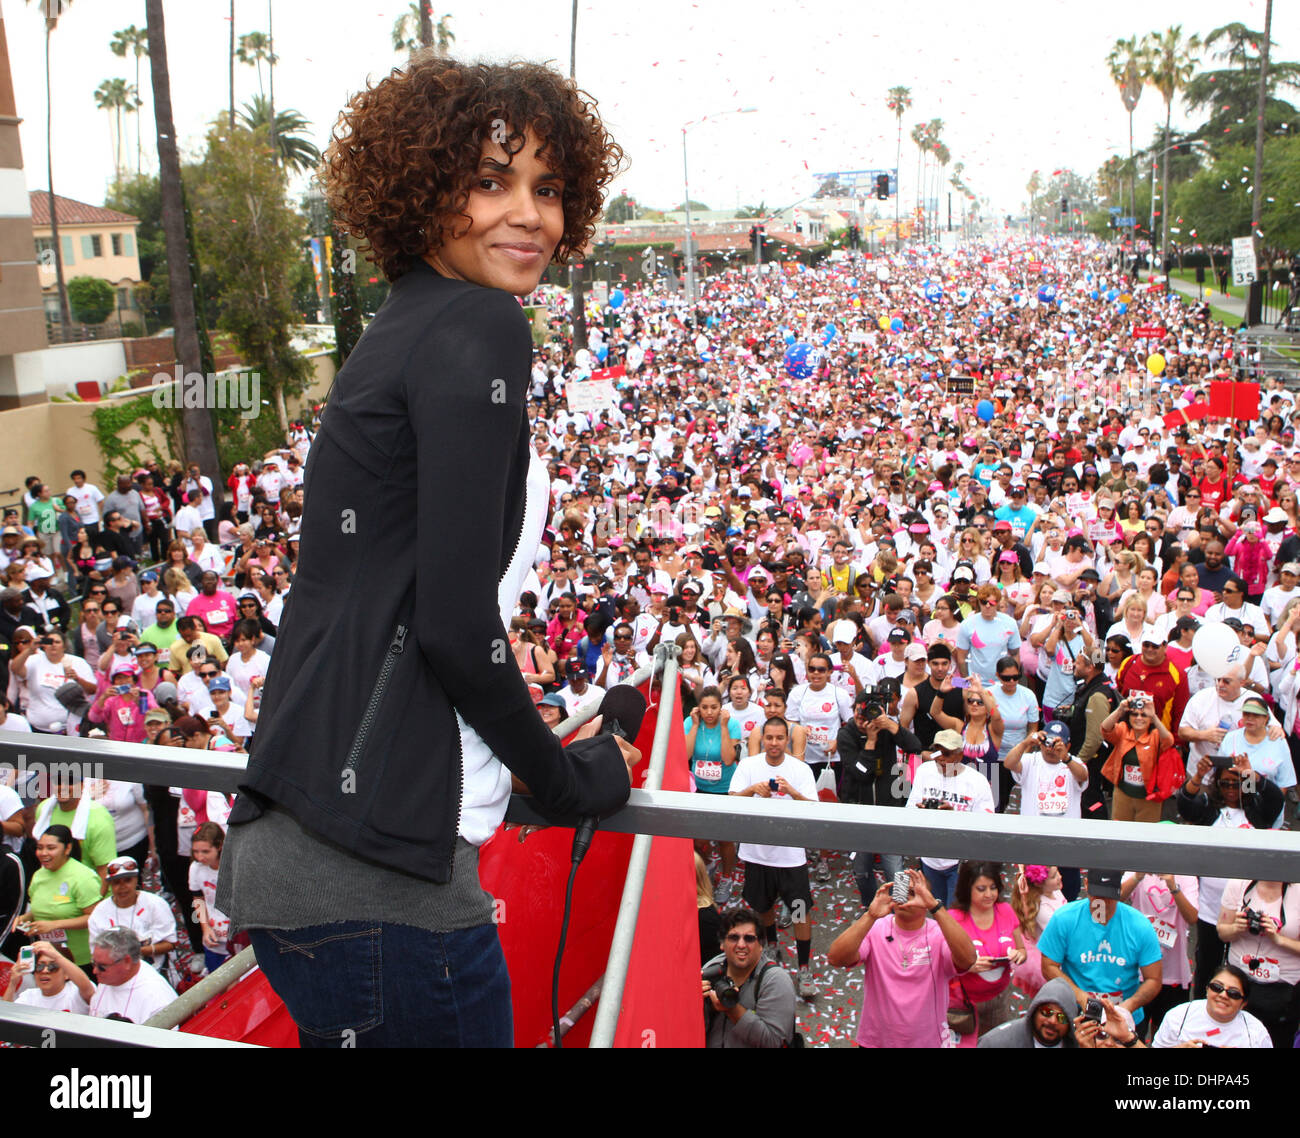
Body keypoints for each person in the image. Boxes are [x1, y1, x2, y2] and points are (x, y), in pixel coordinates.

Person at [218, 58, 637, 1048]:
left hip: (306, 853)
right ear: (423, 189)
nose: (528, 213)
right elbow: (453, 623)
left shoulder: (403, 322)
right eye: (492, 181)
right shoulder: (478, 323)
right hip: (379, 881)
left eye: (548, 187)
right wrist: (569, 778)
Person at [826, 866, 977, 1048]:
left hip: (927, 1043)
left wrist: (935, 907)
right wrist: (870, 915)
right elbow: (836, 958)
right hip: (876, 1041)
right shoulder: (877, 927)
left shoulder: (938, 933)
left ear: (927, 897)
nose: (906, 898)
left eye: (913, 893)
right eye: (901, 892)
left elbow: (968, 959)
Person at [1178, 752, 1283, 998]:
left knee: (1242, 965)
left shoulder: (1255, 811)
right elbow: (1185, 807)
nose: (1230, 789)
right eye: (1224, 783)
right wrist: (1198, 776)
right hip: (1210, 908)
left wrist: (1250, 774)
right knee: (1207, 965)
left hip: (1246, 908)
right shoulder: (1209, 809)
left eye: (1236, 784)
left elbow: (1275, 800)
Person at [728, 717, 819, 998]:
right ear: (762, 738)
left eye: (780, 738)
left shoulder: (800, 769)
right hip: (757, 852)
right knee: (763, 905)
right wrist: (751, 790)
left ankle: (804, 966)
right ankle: (771, 945)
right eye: (770, 738)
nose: (775, 743)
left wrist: (791, 792)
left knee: (800, 911)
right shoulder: (748, 766)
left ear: (787, 740)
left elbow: (815, 809)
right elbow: (730, 801)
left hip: (791, 856)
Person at [1038, 867, 1163, 1033]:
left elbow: (1153, 979)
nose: (1102, 903)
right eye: (1097, 895)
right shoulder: (1064, 918)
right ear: (1086, 884)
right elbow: (1048, 966)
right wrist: (1082, 998)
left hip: (1125, 1019)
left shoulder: (1139, 925)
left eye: (1109, 896)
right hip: (1077, 1014)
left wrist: (1126, 1007)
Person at [905, 729, 995, 905]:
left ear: (960, 755)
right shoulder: (924, 771)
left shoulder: (977, 781)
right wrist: (921, 812)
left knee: (955, 914)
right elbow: (909, 809)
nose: (940, 758)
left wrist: (953, 817)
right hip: (929, 858)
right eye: (937, 752)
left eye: (946, 753)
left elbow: (986, 825)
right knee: (937, 911)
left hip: (960, 862)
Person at [947, 861, 1027, 1045]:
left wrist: (1019, 955)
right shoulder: (954, 918)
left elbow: (1022, 949)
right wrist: (967, 966)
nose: (989, 894)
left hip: (998, 999)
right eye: (981, 889)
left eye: (993, 888)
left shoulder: (1005, 911)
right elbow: (940, 962)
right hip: (963, 1002)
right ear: (968, 889)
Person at [1216, 876, 1300, 1048]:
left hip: (1282, 987)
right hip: (1240, 982)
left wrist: (1278, 938)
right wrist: (1236, 928)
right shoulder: (1238, 884)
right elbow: (1222, 932)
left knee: (1277, 1040)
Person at [1120, 864, 1198, 1040]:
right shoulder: (1138, 867)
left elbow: (1192, 917)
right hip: (1139, 971)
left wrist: (1173, 887)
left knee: (1166, 1033)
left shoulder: (1187, 876)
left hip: (1173, 972)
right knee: (1132, 1030)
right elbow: (1116, 897)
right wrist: (1137, 877)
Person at [702, 906, 797, 1048]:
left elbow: (772, 1042)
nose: (741, 945)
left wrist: (732, 1009)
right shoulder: (710, 970)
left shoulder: (775, 981)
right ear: (722, 943)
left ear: (760, 945)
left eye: (749, 939)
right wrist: (694, 1004)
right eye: (734, 937)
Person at [13, 825, 102, 970]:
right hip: (47, 958)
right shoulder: (39, 875)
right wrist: (25, 919)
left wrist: (55, 925)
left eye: (51, 848)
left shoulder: (83, 877)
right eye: (40, 847)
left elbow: (94, 917)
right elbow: (42, 908)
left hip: (81, 959)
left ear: (67, 849)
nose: (43, 853)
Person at [87, 856, 177, 974]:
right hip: (116, 973)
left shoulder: (155, 904)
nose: (122, 887)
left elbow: (170, 943)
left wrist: (139, 951)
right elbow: (95, 952)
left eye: (128, 880)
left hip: (155, 970)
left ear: (136, 880)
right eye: (116, 882)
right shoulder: (99, 912)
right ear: (110, 885)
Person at [1099, 693, 1180, 823]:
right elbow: (1105, 729)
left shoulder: (1155, 735)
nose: (1139, 718)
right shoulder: (1123, 730)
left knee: (1145, 837)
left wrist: (1153, 716)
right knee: (1120, 833)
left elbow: (1169, 741)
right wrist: (1120, 709)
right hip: (1123, 794)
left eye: (1144, 715)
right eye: (1134, 714)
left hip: (1149, 798)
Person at [1151, 965, 1272, 1048]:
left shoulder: (1256, 1031)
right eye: (1217, 988)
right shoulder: (1178, 1016)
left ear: (1243, 1003)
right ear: (1207, 989)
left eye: (1233, 993)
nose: (1223, 995)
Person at [86, 927, 178, 1023]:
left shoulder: (157, 998)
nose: (95, 971)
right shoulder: (110, 978)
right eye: (93, 963)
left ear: (127, 961)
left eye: (101, 966)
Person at [978, 977, 1081, 1049]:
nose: (1053, 1021)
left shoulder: (1081, 1044)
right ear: (1034, 1011)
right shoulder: (997, 1043)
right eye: (1046, 1012)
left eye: (1061, 1017)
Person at [1, 938, 94, 1014]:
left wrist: (57, 956)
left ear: (66, 974)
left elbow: (87, 988)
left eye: (52, 966)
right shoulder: (29, 996)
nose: (45, 971)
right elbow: (5, 1018)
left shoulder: (75, 991)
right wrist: (12, 984)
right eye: (40, 966)